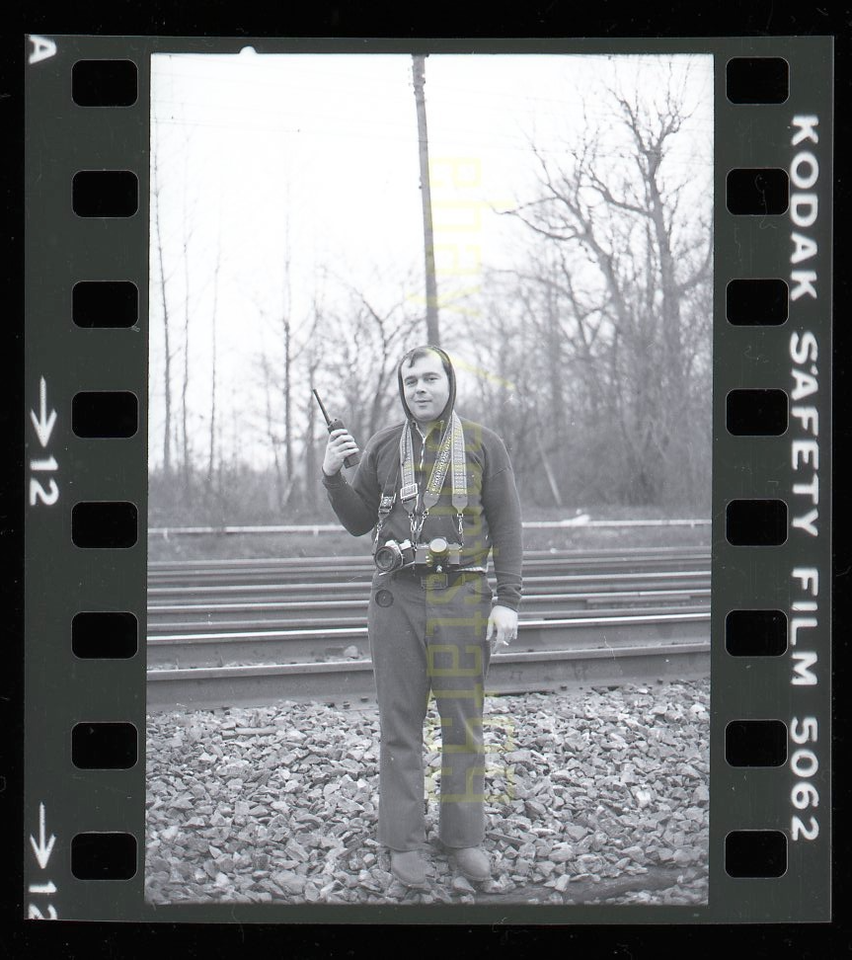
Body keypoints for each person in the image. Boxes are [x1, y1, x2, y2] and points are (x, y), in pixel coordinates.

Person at [321, 344, 523, 888]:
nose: (421, 389)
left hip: (464, 596)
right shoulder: (385, 445)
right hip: (397, 599)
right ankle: (403, 840)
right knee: (400, 726)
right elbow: (359, 522)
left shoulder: (484, 443)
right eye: (411, 382)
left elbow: (507, 525)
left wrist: (508, 600)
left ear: (449, 383)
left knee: (463, 724)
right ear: (402, 389)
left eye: (431, 379)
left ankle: (463, 837)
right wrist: (333, 476)